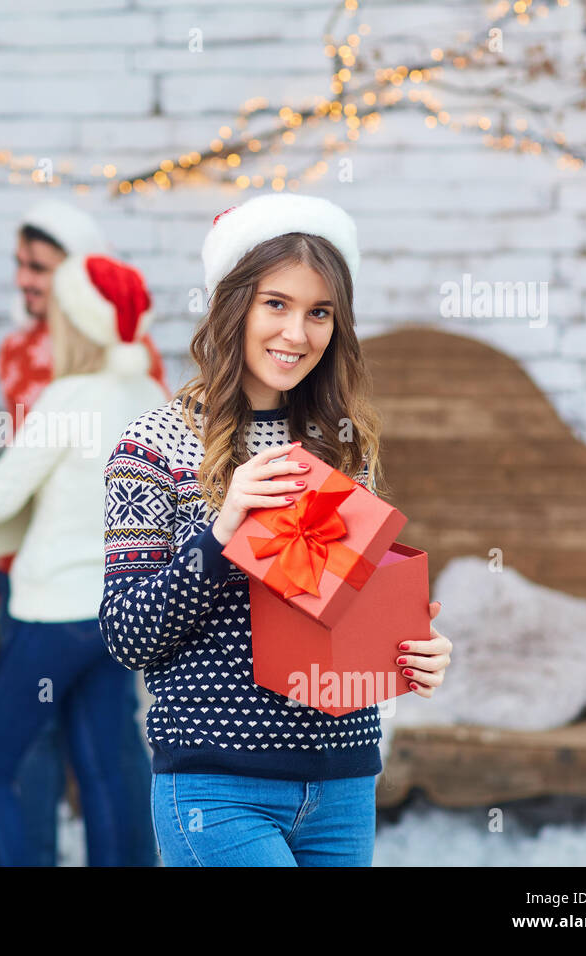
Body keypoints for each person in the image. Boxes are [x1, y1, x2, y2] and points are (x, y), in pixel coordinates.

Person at [100, 193, 453, 867]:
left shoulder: (344, 446)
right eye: (276, 304)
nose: (298, 332)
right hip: (217, 786)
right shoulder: (153, 446)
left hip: (343, 784)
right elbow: (127, 635)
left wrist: (415, 648)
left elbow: (346, 617)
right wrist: (223, 531)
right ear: (232, 304)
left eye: (319, 312)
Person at [0, 253, 167, 866]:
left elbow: (2, 491)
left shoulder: (70, 396)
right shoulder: (149, 392)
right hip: (120, 617)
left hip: (54, 616)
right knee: (103, 774)